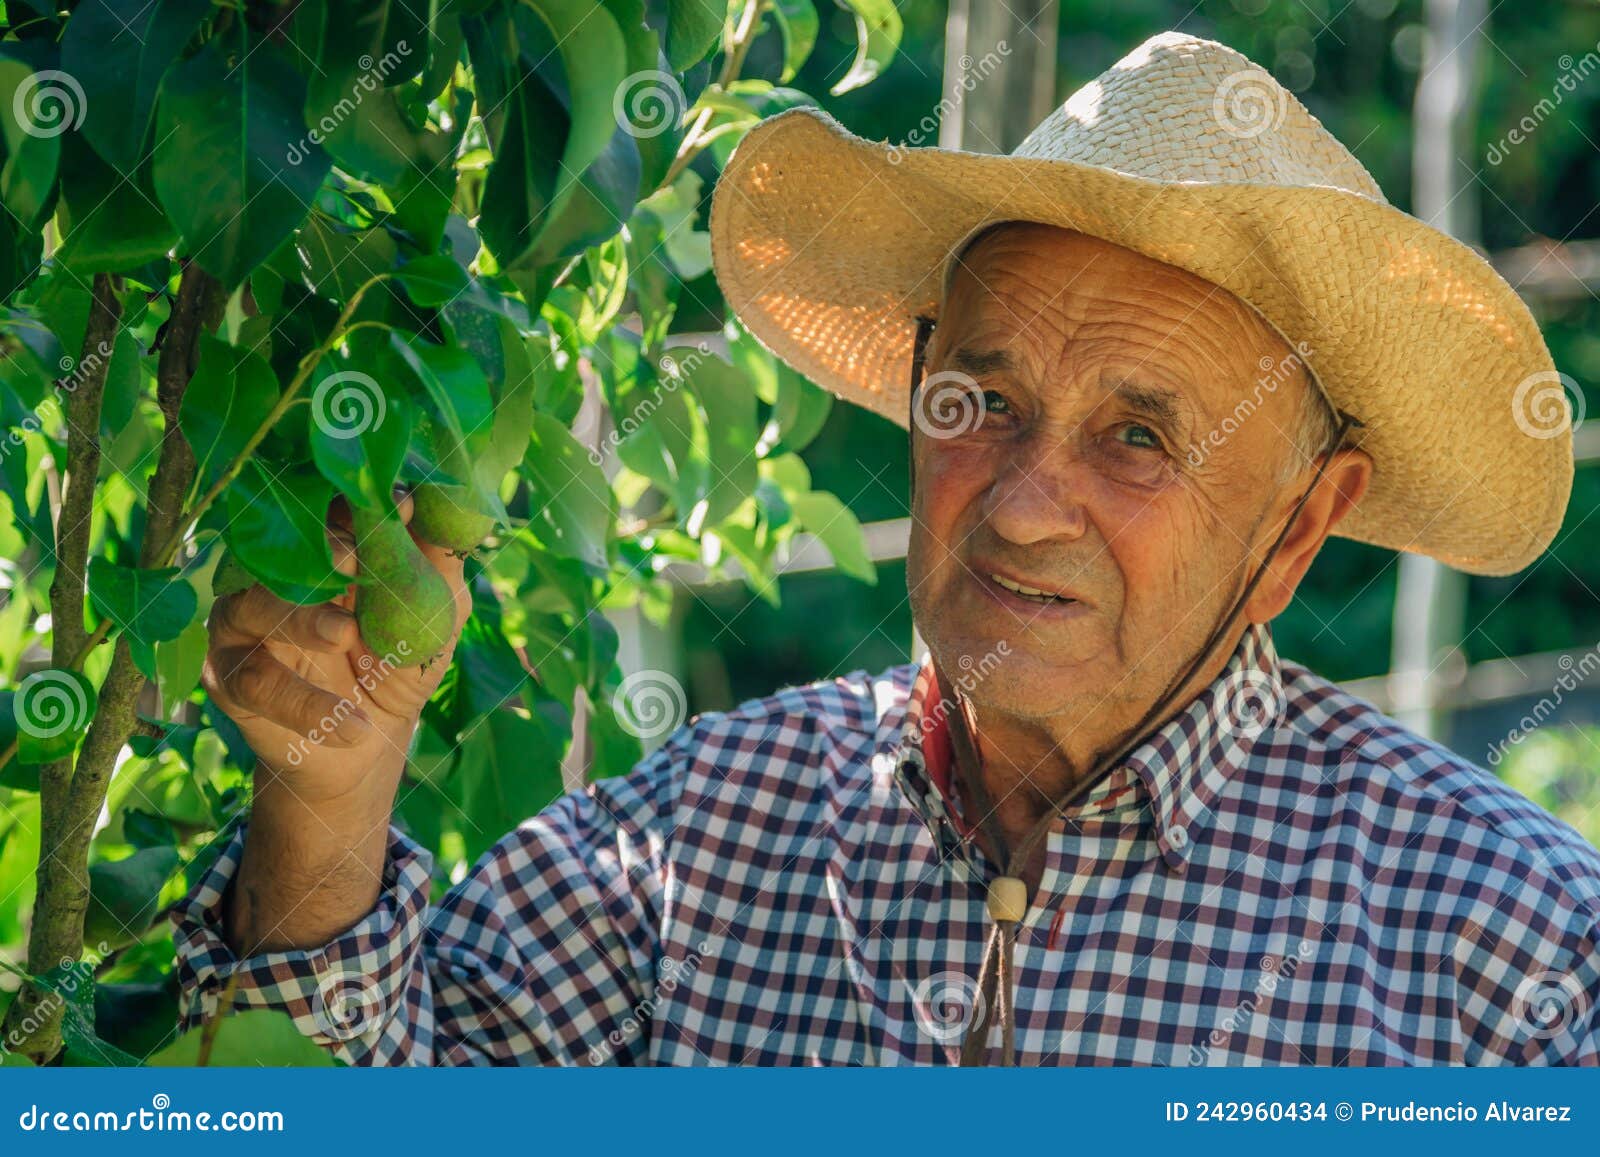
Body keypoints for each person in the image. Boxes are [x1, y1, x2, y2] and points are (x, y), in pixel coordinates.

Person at [179, 31, 1598, 1064]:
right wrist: (326, 790)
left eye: (1139, 440)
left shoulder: (1509, 949)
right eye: (981, 403)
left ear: (1301, 527)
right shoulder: (703, 835)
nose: (1023, 504)